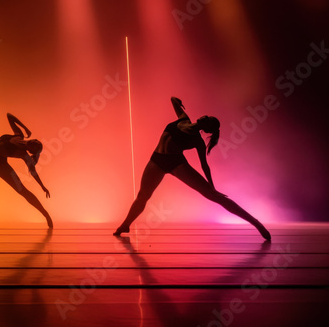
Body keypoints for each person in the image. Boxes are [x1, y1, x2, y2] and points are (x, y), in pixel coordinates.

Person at [114, 96, 270, 240]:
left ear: (207, 128)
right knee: (143, 196)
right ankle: (125, 225)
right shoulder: (183, 118)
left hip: (176, 164)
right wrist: (177, 101)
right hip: (157, 160)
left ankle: (255, 222)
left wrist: (212, 186)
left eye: (209, 120)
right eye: (207, 116)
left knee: (214, 196)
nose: (205, 117)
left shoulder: (198, 141)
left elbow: (204, 165)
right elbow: (173, 100)